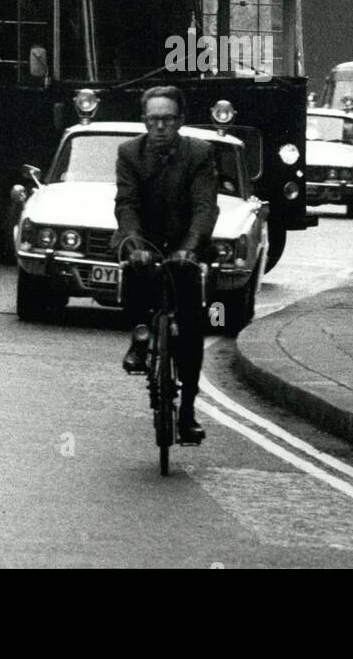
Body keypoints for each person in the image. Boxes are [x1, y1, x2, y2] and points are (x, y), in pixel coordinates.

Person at [115, 85, 219, 444]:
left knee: (190, 331)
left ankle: (187, 412)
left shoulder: (200, 154)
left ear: (180, 121)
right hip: (145, 241)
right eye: (154, 119)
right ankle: (140, 337)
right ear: (144, 120)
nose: (160, 126)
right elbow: (126, 204)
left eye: (168, 119)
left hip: (184, 246)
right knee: (134, 272)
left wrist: (190, 248)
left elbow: (205, 206)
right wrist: (134, 243)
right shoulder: (129, 153)